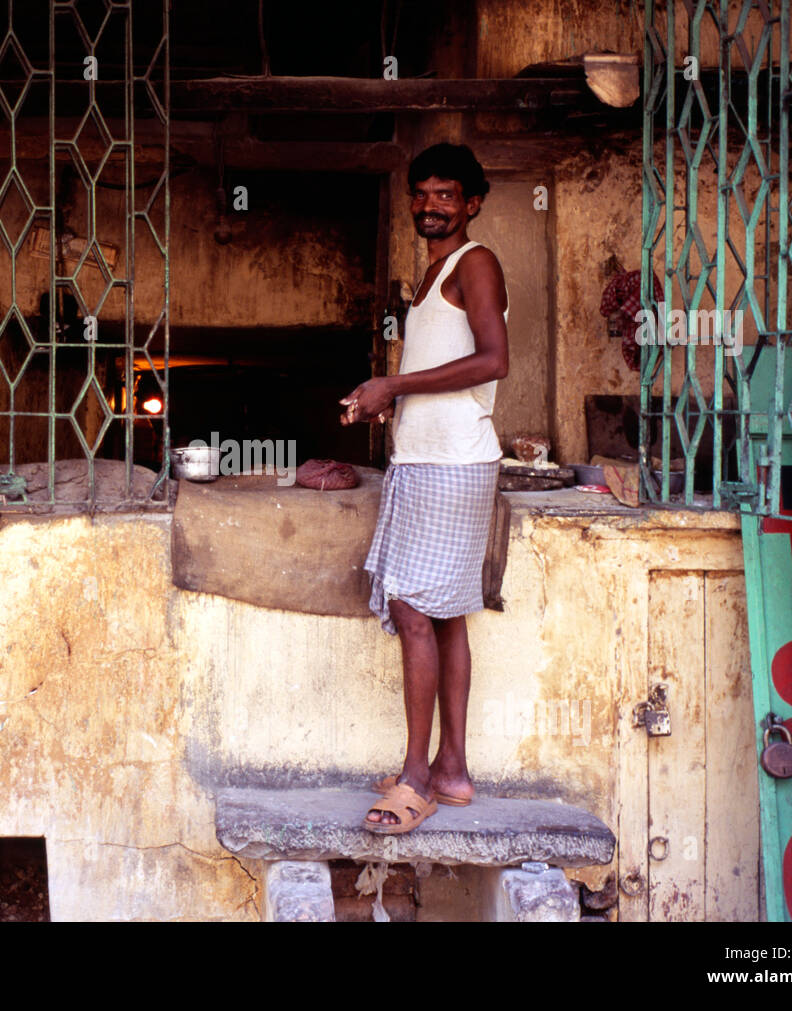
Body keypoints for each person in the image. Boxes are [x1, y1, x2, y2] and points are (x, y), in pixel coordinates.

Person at [340, 143, 509, 835]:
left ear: (471, 203)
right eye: (422, 193)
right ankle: (453, 770)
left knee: (413, 606)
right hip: (429, 459)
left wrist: (396, 383)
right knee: (444, 614)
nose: (430, 205)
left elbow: (494, 359)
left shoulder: (476, 262)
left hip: (453, 464)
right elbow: (445, 363)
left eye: (446, 195)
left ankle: (415, 777)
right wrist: (381, 399)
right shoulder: (434, 273)